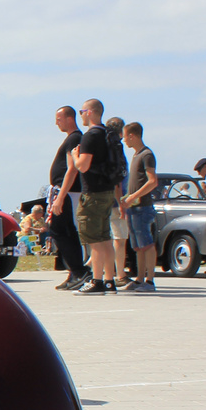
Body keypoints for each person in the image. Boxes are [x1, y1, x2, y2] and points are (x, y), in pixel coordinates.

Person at [61, 98, 121, 293]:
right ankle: (110, 280)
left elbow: (83, 166)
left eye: (82, 111)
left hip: (93, 193)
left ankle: (96, 280)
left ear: (89, 112)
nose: (81, 115)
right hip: (107, 192)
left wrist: (77, 156)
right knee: (105, 238)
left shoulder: (90, 136)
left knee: (93, 239)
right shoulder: (107, 134)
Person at [46, 106, 88, 289]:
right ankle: (74, 271)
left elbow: (72, 169)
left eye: (59, 119)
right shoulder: (71, 139)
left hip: (68, 193)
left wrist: (61, 196)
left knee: (60, 230)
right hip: (64, 192)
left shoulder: (74, 138)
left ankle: (79, 270)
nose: (56, 122)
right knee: (65, 232)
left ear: (70, 118)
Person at [119, 122, 159, 291]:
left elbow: (152, 181)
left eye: (125, 136)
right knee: (138, 246)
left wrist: (134, 196)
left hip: (143, 207)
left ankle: (150, 280)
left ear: (132, 136)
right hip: (133, 208)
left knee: (147, 244)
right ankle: (140, 277)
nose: (124, 140)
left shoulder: (146, 155)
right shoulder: (136, 155)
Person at [104, 117, 129, 278]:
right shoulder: (116, 148)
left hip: (105, 199)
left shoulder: (103, 148)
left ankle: (103, 269)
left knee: (107, 238)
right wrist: (120, 202)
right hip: (115, 200)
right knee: (120, 238)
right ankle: (119, 274)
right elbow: (117, 179)